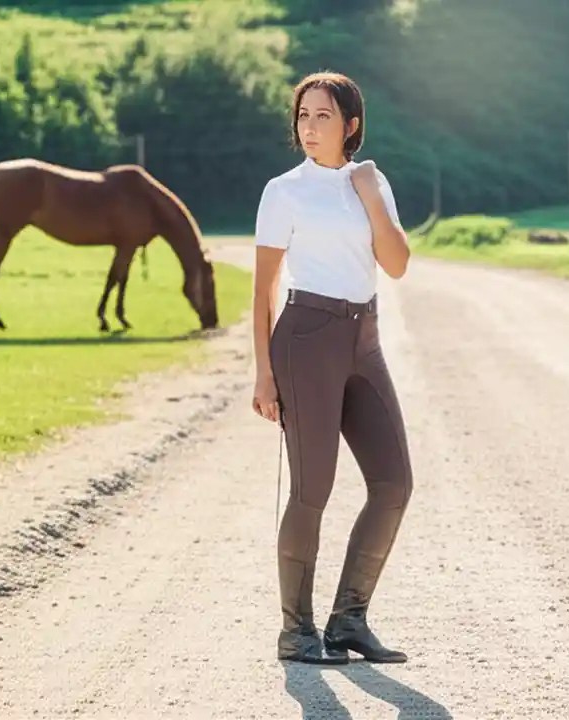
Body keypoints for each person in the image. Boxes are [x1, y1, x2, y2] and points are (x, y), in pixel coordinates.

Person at [250, 70, 414, 665]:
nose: (310, 127)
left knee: (394, 484)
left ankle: (349, 621)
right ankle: (296, 630)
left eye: (323, 116)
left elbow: (395, 264)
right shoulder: (283, 190)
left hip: (363, 339)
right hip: (305, 338)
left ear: (351, 126)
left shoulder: (371, 182)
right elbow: (264, 289)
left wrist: (369, 196)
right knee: (312, 488)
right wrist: (263, 373)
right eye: (303, 116)